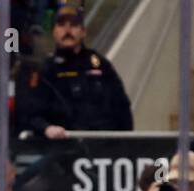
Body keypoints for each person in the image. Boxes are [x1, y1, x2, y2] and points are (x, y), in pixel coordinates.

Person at [20, 2, 132, 139]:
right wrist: (46, 128)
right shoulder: (45, 70)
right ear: (54, 32)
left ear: (83, 32)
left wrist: (127, 144)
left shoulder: (101, 65)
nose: (67, 30)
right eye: (61, 25)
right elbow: (30, 113)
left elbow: (122, 107)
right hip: (61, 147)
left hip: (102, 149)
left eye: (73, 25)